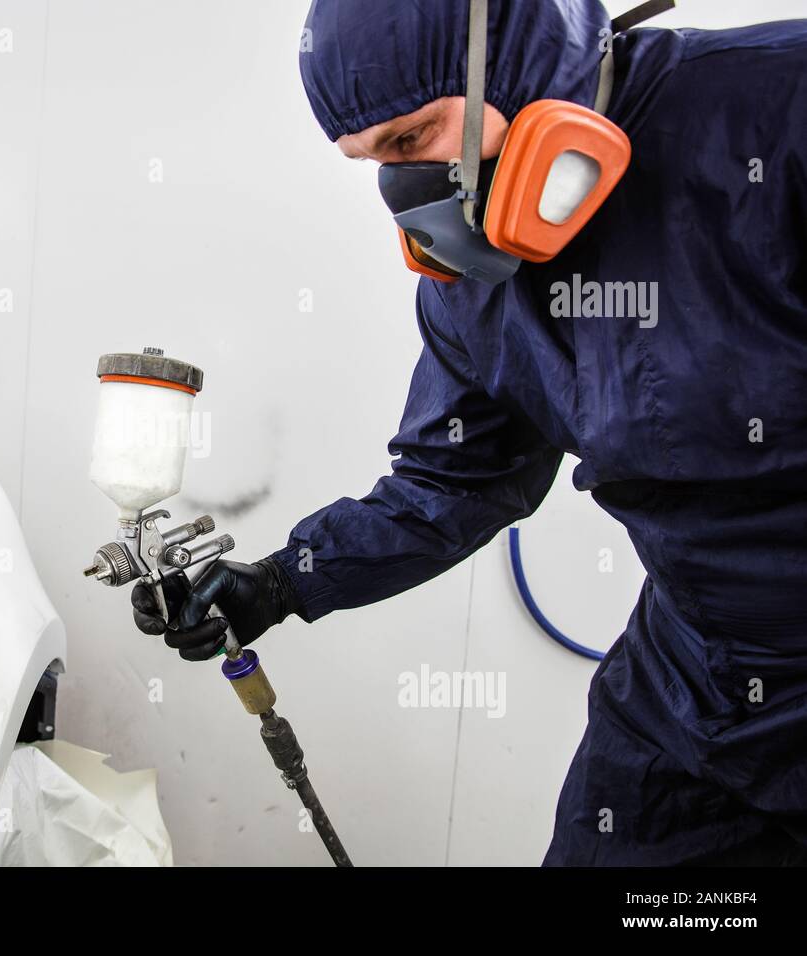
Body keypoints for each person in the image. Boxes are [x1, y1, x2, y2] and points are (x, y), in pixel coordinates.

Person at [132, 0, 807, 865]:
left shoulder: (775, 109)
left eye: (411, 141)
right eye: (371, 160)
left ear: (519, 56)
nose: (405, 192)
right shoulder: (477, 282)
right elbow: (455, 480)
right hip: (693, 673)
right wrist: (279, 584)